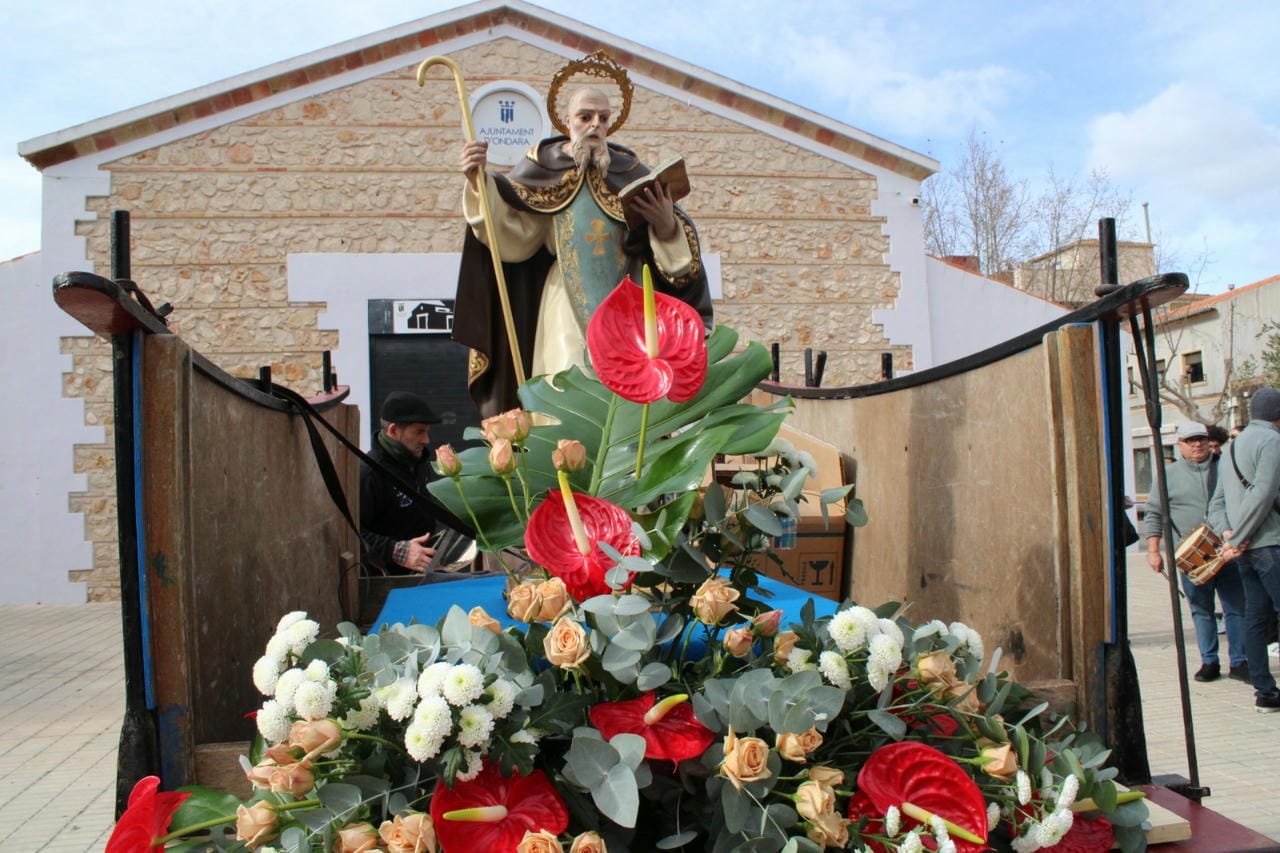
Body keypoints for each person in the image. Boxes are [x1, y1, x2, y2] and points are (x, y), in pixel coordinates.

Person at [453, 73, 713, 416]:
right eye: (585, 117)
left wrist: (665, 225)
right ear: (567, 121)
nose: (595, 126)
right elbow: (514, 238)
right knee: (564, 383)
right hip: (564, 301)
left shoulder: (629, 173)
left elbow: (674, 266)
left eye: (603, 118)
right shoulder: (542, 170)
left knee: (627, 395)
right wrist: (479, 184)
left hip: (626, 306)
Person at [1144, 421, 1247, 682]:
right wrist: (1153, 550)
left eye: (1201, 438)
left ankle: (1239, 661)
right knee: (1201, 609)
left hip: (1227, 549)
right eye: (1190, 440)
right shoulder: (1167, 475)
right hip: (1192, 555)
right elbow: (1154, 513)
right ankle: (1209, 661)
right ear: (1180, 445)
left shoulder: (1226, 467)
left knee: (1236, 607)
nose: (1197, 444)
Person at [1209, 387, 1280, 712]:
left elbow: (1217, 502)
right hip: (1269, 542)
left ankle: (1264, 692)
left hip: (1246, 549)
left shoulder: (1233, 446)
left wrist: (1230, 533)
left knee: (1256, 616)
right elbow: (1263, 494)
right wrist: (1239, 538)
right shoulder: (1272, 441)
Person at [359, 392, 441, 575]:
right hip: (383, 582)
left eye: (427, 432)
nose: (426, 440)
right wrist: (396, 551)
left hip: (422, 574)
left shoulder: (417, 462)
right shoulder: (368, 474)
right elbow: (350, 533)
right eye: (419, 432)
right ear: (394, 431)